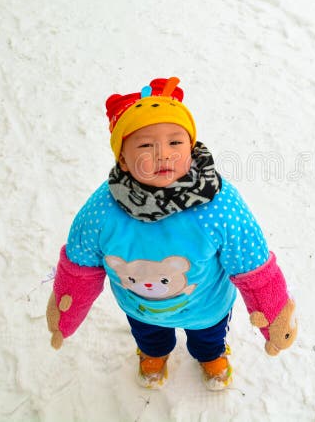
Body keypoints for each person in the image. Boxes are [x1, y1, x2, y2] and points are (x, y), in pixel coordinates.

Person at [46, 77, 297, 390]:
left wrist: (274, 315)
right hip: (140, 307)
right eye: (146, 145)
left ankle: (210, 355)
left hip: (206, 306)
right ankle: (153, 353)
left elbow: (253, 265)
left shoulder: (218, 206)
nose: (163, 153)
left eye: (175, 142)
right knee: (149, 335)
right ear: (122, 158)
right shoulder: (104, 211)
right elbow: (80, 266)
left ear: (191, 147)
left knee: (209, 338)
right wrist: (65, 313)